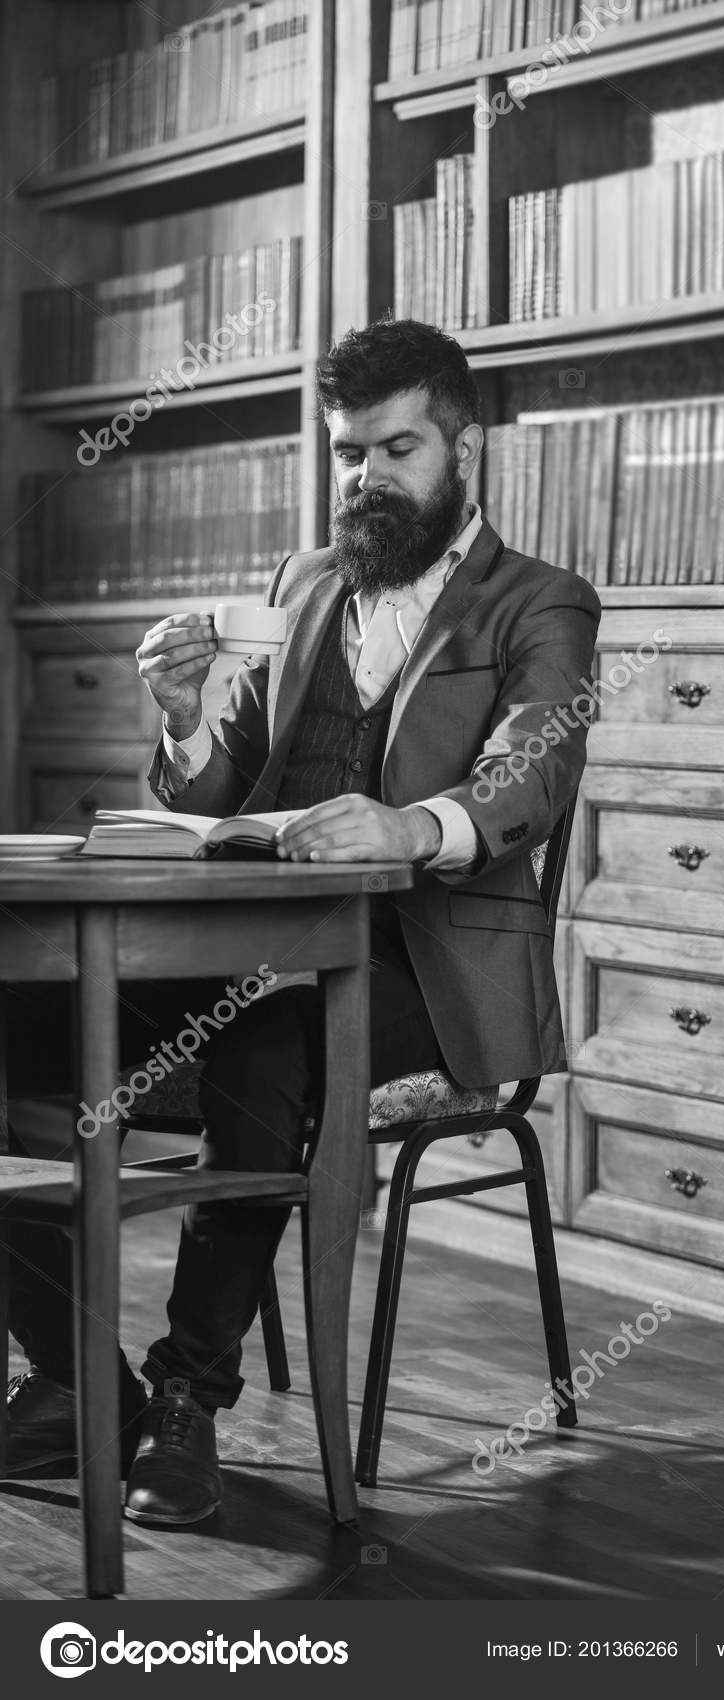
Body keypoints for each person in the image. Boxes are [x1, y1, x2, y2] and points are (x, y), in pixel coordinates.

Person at [6, 317, 601, 1527]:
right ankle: (80, 1379)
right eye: (347, 454)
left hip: (418, 972)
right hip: (244, 948)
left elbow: (528, 773)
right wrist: (182, 720)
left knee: (268, 1042)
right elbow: (217, 794)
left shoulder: (539, 602)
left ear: (462, 448)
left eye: (397, 450)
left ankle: (187, 1399)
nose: (366, 480)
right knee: (15, 1022)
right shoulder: (303, 584)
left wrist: (410, 824)